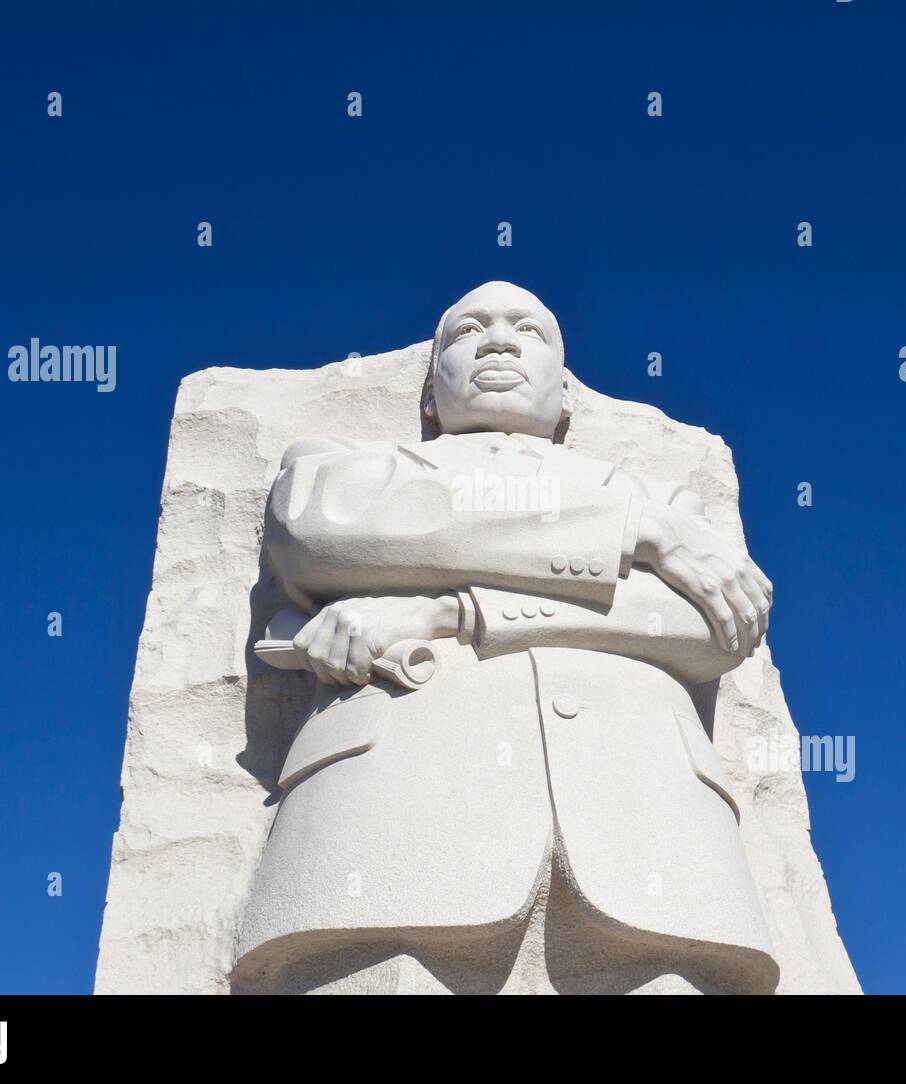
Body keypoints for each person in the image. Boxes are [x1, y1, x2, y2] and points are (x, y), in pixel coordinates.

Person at [233, 281, 779, 993]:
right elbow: (322, 531)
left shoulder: (669, 496)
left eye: (528, 329)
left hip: (654, 824)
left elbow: (711, 627)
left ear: (565, 405)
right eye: (467, 331)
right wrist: (635, 534)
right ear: (429, 397)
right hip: (388, 819)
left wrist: (453, 611)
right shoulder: (348, 470)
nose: (496, 340)